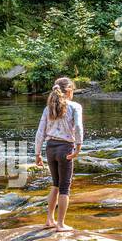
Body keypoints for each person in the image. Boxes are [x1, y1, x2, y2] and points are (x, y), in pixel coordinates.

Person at [33, 76, 84, 230]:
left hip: (50, 148)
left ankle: (50, 220)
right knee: (64, 187)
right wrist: (78, 147)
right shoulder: (75, 107)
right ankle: (61, 224)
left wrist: (37, 154)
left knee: (55, 184)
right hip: (65, 148)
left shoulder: (48, 108)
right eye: (73, 90)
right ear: (68, 91)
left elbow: (40, 132)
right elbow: (79, 127)